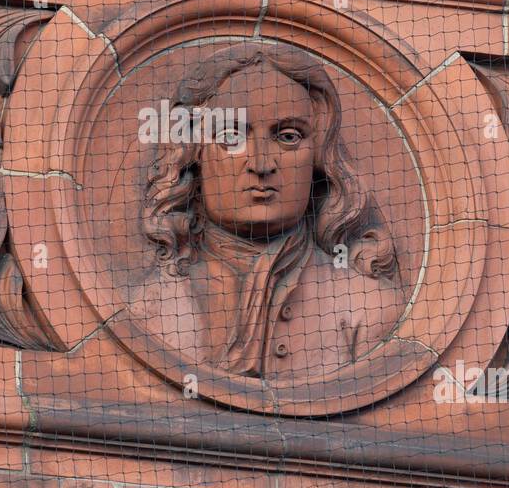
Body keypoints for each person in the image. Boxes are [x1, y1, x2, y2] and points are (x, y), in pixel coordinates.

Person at [130, 43, 404, 380]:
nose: (261, 165)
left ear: (319, 158)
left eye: (288, 136)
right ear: (194, 154)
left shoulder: (368, 308)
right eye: (231, 137)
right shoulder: (150, 307)